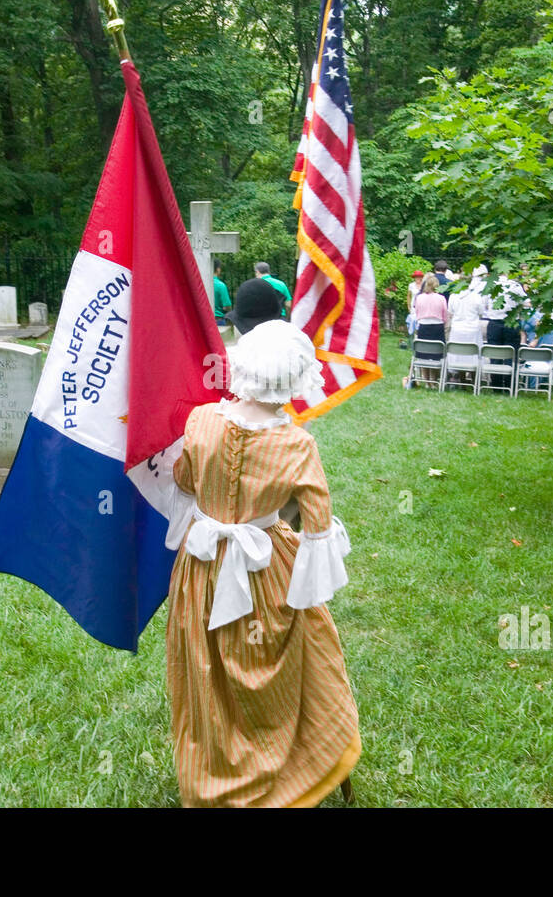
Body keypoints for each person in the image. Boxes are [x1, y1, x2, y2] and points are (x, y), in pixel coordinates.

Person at [165, 319, 360, 807]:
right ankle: (286, 757)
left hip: (200, 566)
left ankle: (211, 771)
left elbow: (184, 481)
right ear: (295, 380)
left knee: (205, 664)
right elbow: (317, 524)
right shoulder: (297, 444)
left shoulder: (201, 421)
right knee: (292, 658)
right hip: (266, 569)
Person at [411, 273, 448, 385]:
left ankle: (426, 380)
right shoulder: (441, 298)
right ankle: (433, 379)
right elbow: (445, 314)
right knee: (436, 354)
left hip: (423, 325)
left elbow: (417, 312)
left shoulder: (419, 298)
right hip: (437, 326)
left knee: (424, 353)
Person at [212, 262, 232, 327]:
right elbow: (227, 306)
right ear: (218, 269)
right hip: (218, 320)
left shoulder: (200, 284)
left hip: (202, 320)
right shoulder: (220, 285)